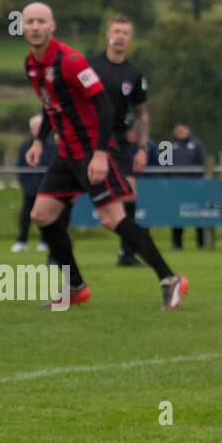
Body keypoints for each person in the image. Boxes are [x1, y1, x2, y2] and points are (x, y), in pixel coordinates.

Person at [19, 2, 187, 309]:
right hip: (66, 153)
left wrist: (99, 154)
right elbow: (50, 104)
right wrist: (39, 141)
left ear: (52, 26)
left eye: (41, 21)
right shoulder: (32, 64)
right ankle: (75, 287)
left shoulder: (71, 61)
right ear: (21, 26)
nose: (35, 27)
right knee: (41, 215)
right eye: (29, 21)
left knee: (113, 219)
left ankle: (170, 278)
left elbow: (105, 107)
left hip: (90, 150)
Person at [89, 16, 151, 267]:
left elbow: (142, 113)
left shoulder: (133, 74)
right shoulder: (90, 66)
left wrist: (142, 148)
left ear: (130, 38)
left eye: (125, 32)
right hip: (89, 136)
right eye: (116, 31)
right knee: (67, 194)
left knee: (130, 193)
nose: (120, 36)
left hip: (119, 140)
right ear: (107, 34)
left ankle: (127, 254)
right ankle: (55, 254)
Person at [14, 115, 57, 251]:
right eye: (35, 128)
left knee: (46, 215)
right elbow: (20, 167)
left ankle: (45, 241)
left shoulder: (53, 147)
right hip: (30, 188)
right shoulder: (25, 146)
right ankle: (22, 241)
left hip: (47, 187)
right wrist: (25, 183)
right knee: (26, 215)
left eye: (40, 127)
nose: (37, 130)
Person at [168, 123, 208, 249]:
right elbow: (163, 166)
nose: (180, 131)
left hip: (193, 186)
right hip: (175, 186)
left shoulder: (197, 144)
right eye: (178, 128)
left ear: (188, 129)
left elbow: (203, 163)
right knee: (176, 215)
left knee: (197, 213)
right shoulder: (167, 145)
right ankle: (177, 243)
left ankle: (201, 243)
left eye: (183, 128)